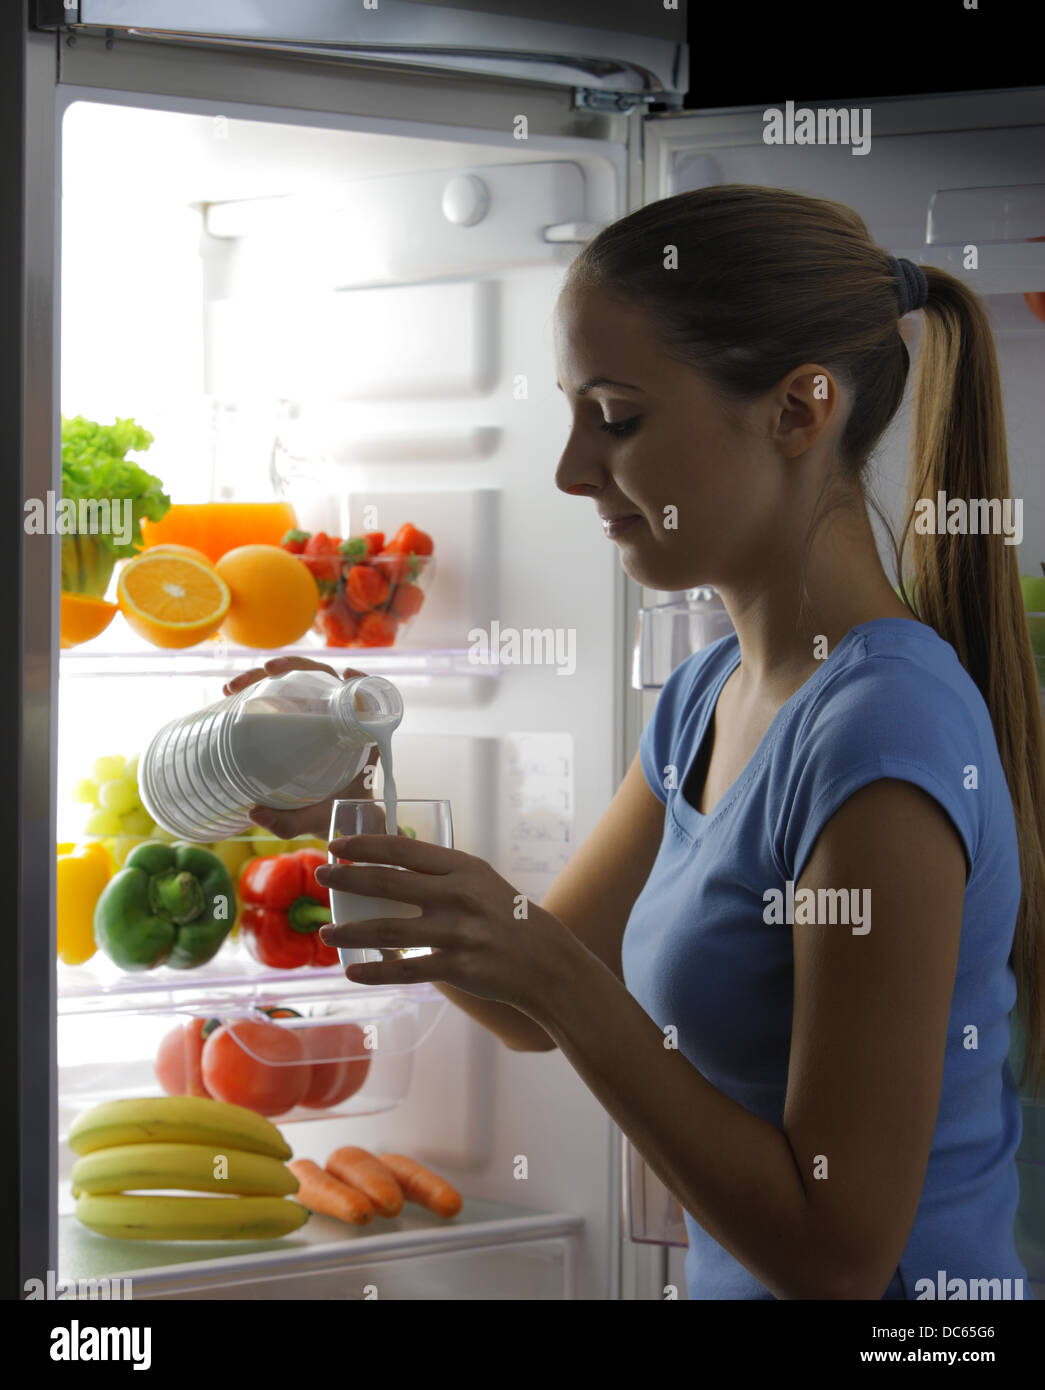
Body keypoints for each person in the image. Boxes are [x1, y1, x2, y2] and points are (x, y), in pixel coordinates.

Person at [224, 184, 1044, 1301]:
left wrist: (559, 978)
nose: (571, 468)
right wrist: (346, 801)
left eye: (615, 416)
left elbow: (839, 1252)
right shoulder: (709, 693)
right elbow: (522, 1001)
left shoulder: (882, 727)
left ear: (799, 410)